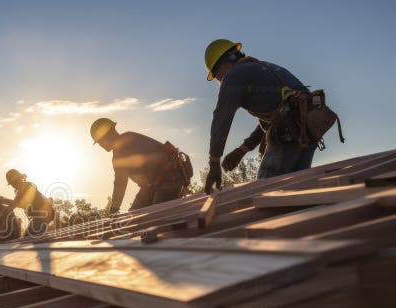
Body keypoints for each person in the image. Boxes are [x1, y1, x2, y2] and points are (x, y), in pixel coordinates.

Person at [203, 39, 342, 193]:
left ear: (223, 65)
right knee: (298, 191)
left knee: (266, 192)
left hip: (290, 134)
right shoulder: (264, 68)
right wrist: (242, 150)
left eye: (217, 76)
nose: (220, 81)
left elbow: (221, 117)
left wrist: (214, 162)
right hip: (308, 132)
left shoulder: (234, 76)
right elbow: (277, 117)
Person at [90, 118, 192, 213]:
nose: (100, 145)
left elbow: (120, 183)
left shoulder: (121, 150)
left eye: (100, 141)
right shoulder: (128, 137)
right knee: (133, 214)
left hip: (170, 177)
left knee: (156, 216)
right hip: (155, 184)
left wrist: (114, 209)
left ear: (109, 134)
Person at [5, 169, 54, 236]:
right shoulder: (21, 189)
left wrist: (3, 200)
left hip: (42, 215)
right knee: (30, 235)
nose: (13, 185)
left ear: (19, 179)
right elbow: (16, 205)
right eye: (12, 184)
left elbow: (16, 203)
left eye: (13, 182)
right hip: (40, 216)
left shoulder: (26, 186)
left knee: (28, 236)